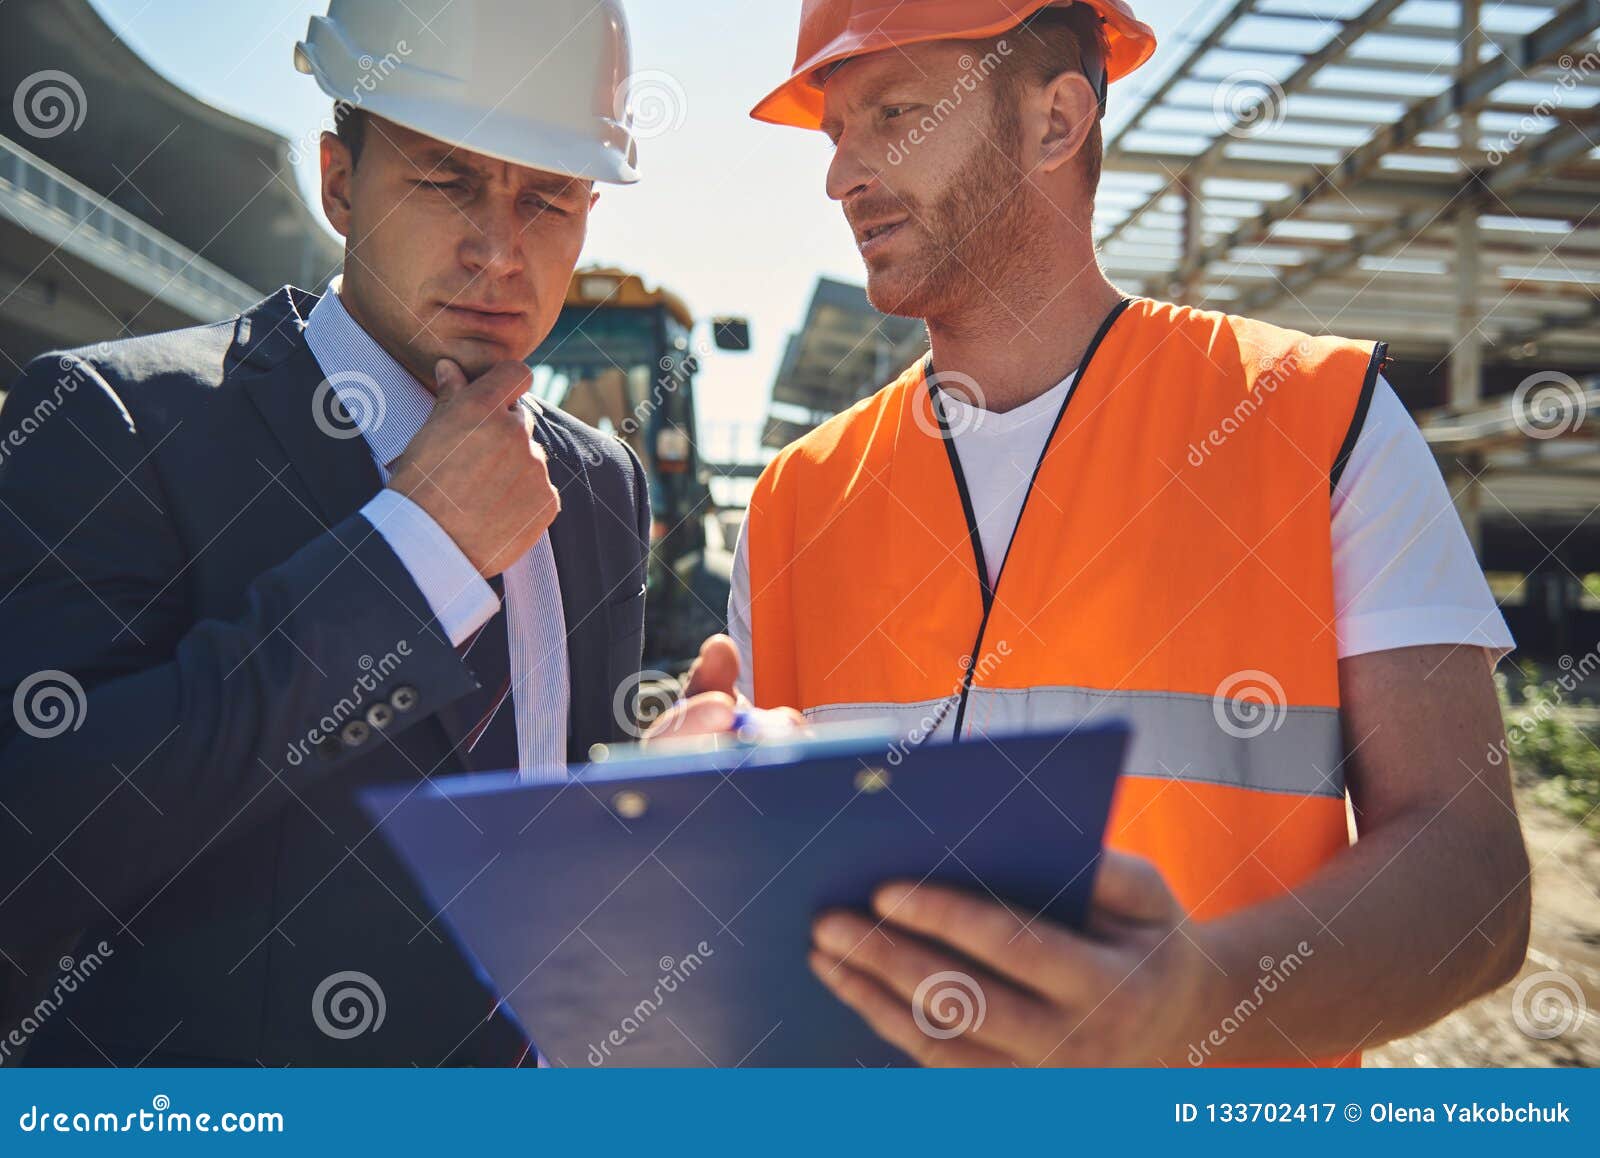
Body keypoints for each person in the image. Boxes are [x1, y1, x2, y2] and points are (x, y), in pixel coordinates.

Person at [674, 0, 1530, 1066]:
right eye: (833, 131)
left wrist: (1189, 1007)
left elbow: (1474, 882)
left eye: (891, 113)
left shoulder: (1315, 418)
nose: (841, 175)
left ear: (1054, 120)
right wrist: (681, 835)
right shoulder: (796, 497)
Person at [0, 0, 649, 1065]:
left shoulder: (600, 486)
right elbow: (33, 842)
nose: (500, 249)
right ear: (341, 184)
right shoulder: (119, 425)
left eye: (549, 196)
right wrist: (415, 556)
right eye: (446, 177)